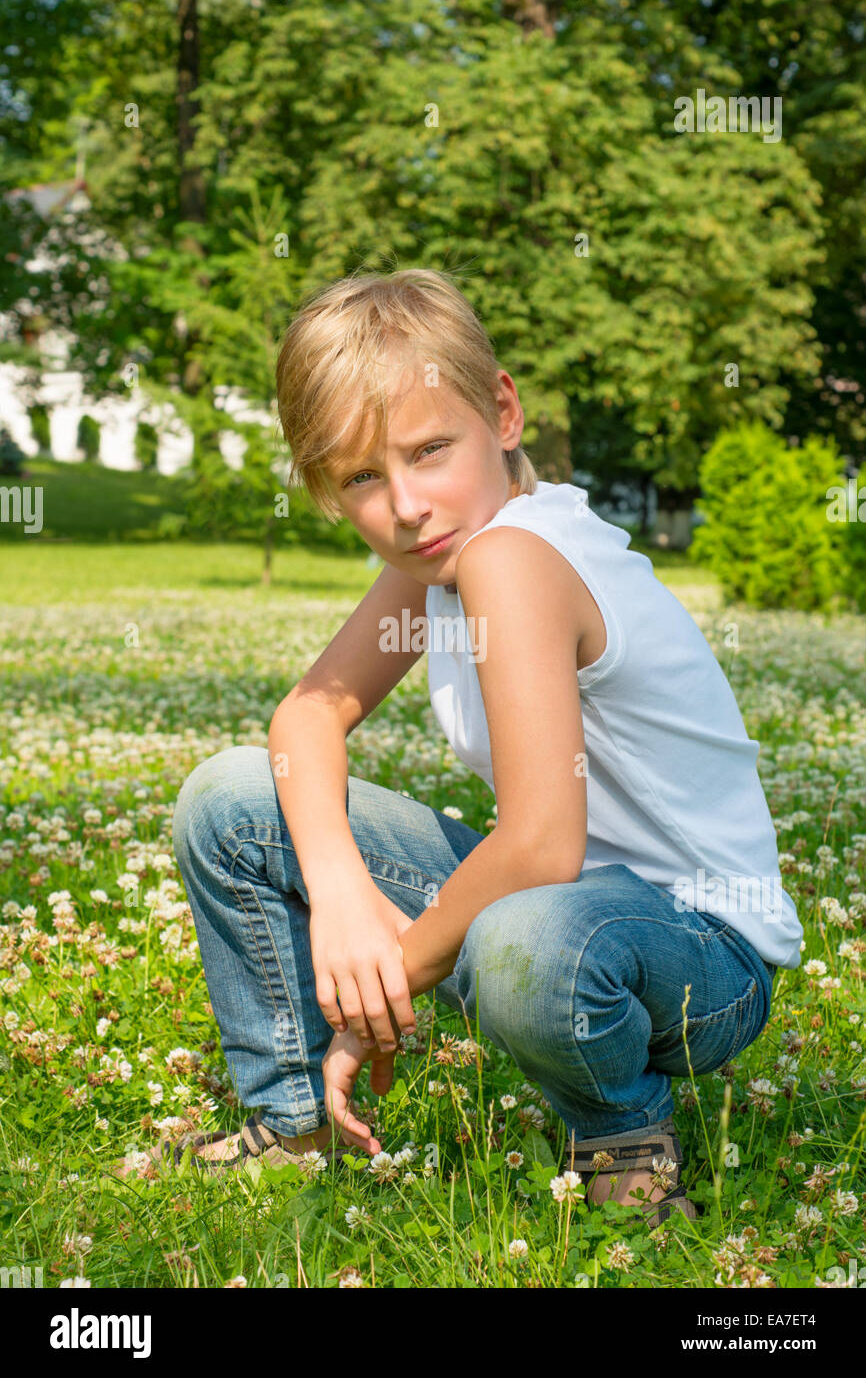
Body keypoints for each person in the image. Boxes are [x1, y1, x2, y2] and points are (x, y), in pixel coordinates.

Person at [134, 268, 803, 1227]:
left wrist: (384, 984)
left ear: (503, 411)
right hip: (569, 904)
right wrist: (341, 896)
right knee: (233, 798)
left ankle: (620, 1137)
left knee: (525, 936)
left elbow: (539, 847)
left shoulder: (512, 556)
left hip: (700, 950)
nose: (405, 505)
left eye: (430, 449)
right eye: (363, 476)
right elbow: (306, 717)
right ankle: (295, 1125)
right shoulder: (444, 546)